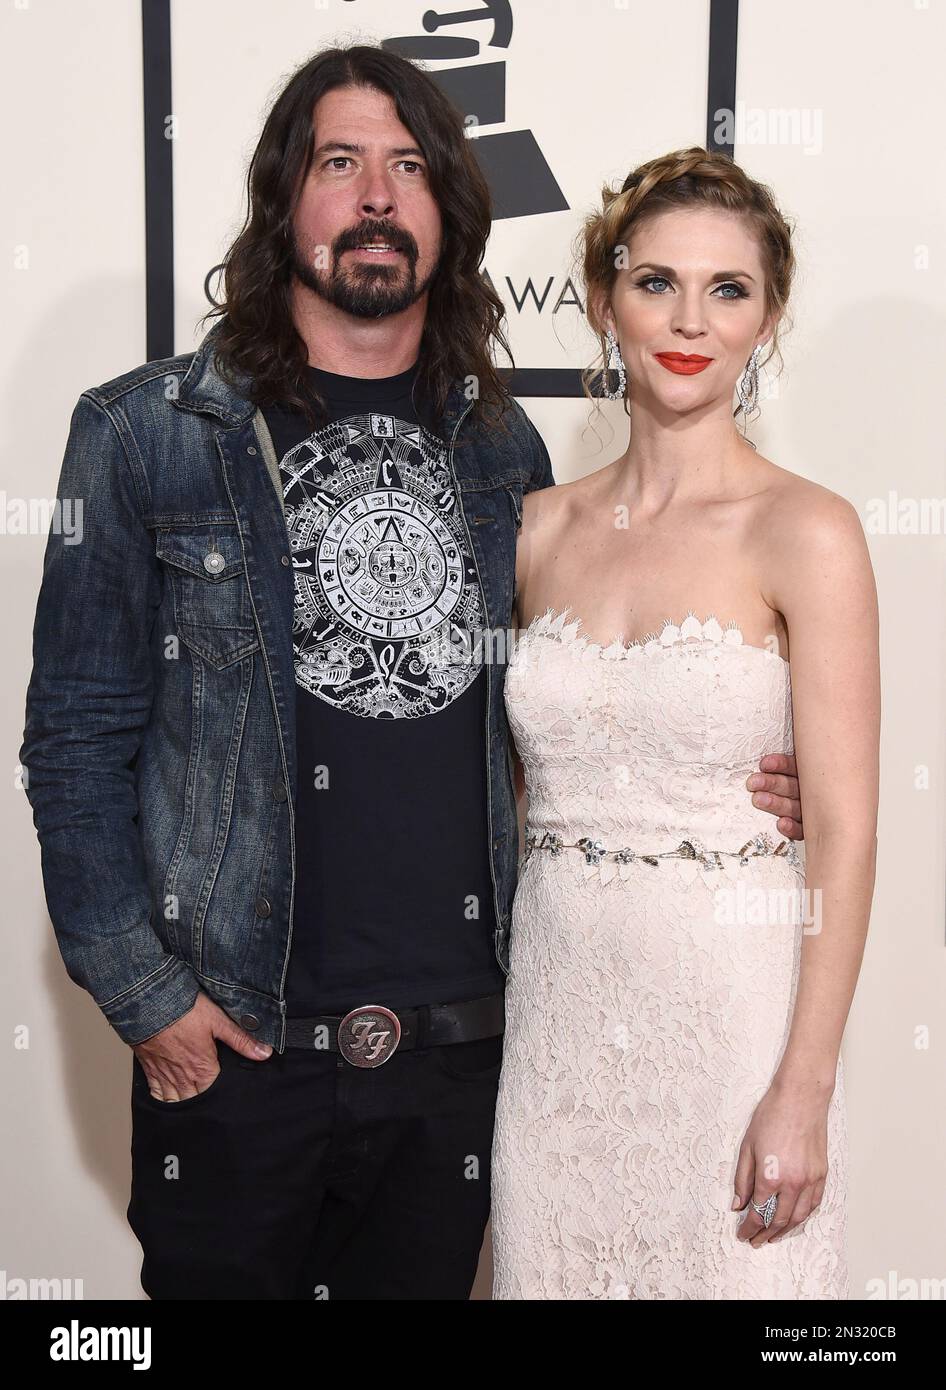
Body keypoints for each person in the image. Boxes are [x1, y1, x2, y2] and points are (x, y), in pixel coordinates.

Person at [18, 47, 803, 1300]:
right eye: (341, 163)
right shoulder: (145, 432)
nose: (378, 196)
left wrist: (729, 782)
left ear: (451, 214)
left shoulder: (502, 448)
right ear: (286, 201)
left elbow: (573, 702)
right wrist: (139, 991)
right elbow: (73, 735)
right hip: (239, 1048)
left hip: (467, 1054)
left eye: (411, 168)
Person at [490, 148, 879, 1300]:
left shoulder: (806, 530)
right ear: (603, 298)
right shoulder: (534, 529)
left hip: (729, 1026)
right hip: (552, 1030)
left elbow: (848, 834)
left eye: (728, 290)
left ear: (768, 318)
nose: (688, 322)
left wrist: (801, 1088)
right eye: (655, 282)